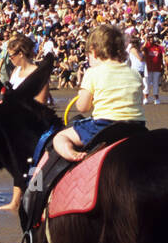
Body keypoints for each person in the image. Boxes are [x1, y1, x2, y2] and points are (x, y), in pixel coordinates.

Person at [52, 23, 145, 163]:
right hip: (137, 126)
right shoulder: (134, 73)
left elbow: (83, 107)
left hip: (105, 126)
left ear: (93, 51)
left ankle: (71, 153)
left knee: (60, 137)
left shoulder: (93, 73)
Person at [0, 34, 52, 213]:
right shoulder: (15, 72)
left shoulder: (37, 73)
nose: (9, 59)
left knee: (35, 162)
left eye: (11, 55)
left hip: (33, 124)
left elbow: (40, 102)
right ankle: (15, 201)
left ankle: (37, 197)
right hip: (15, 123)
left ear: (22, 53)